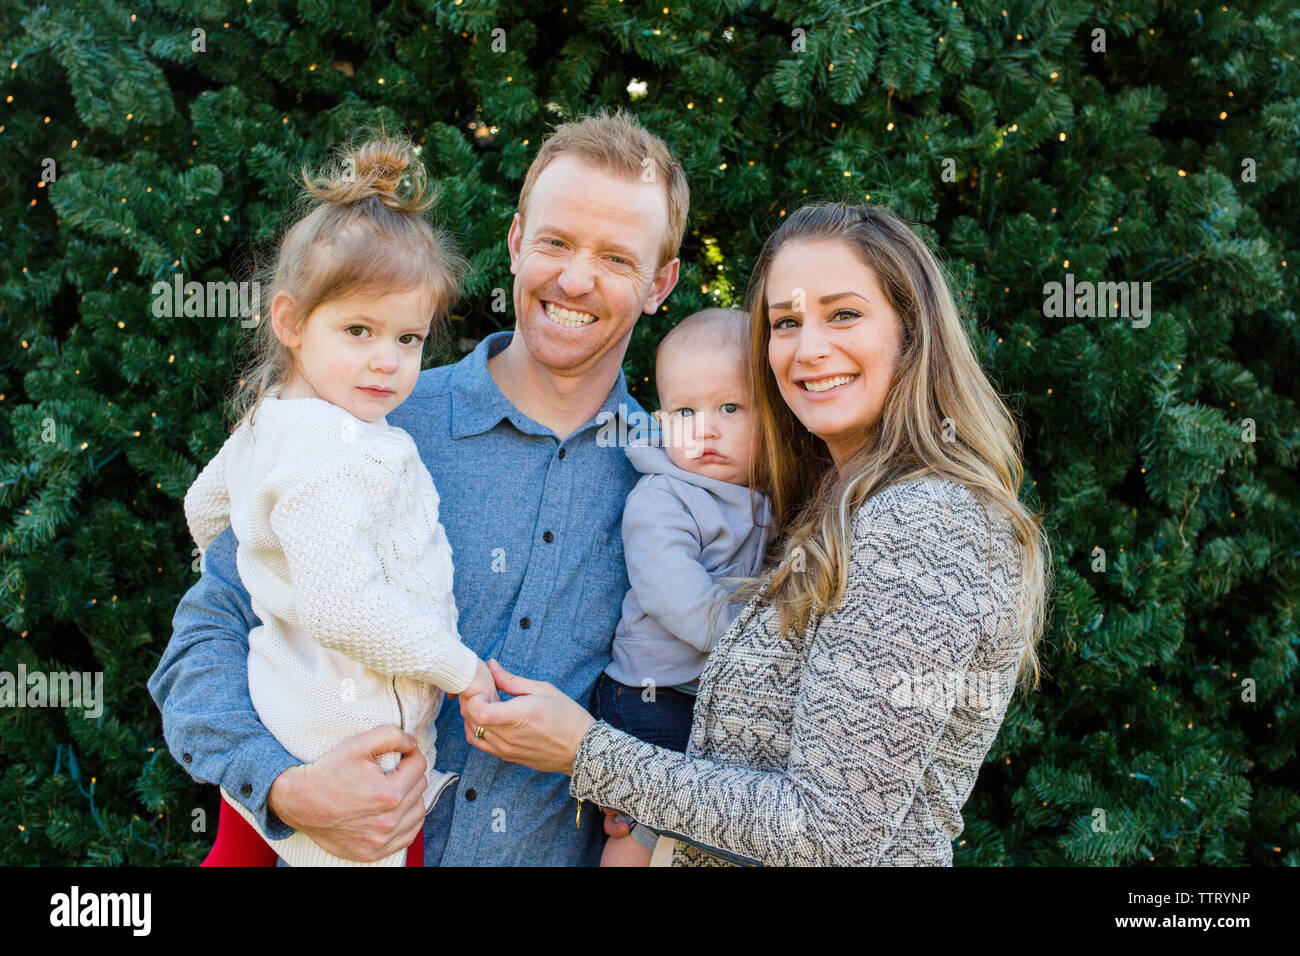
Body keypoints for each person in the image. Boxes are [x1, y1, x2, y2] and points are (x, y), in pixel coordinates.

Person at [148, 108, 688, 865]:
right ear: (514, 242)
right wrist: (283, 788)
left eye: (616, 258)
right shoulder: (365, 422)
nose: (574, 278)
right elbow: (202, 642)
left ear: (661, 282)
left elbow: (706, 719)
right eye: (555, 242)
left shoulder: (677, 482)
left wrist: (603, 761)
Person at [463, 201, 1052, 866]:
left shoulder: (922, 522)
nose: (809, 347)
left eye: (844, 314)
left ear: (911, 330)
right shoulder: (834, 504)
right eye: (786, 323)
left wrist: (587, 753)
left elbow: (830, 834)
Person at [180, 134, 500, 866]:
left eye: (409, 337)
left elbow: (205, 508)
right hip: (346, 767)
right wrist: (463, 671)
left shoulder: (273, 422)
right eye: (358, 330)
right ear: (290, 321)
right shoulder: (330, 448)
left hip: (287, 740)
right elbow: (342, 608)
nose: (387, 360)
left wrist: (268, 576)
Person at [594, 308, 771, 866]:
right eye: (685, 411)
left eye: (730, 408)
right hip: (649, 694)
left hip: (707, 694)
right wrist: (753, 648)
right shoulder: (663, 497)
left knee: (707, 823)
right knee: (646, 823)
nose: (706, 429)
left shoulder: (765, 493)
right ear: (662, 417)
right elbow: (678, 597)